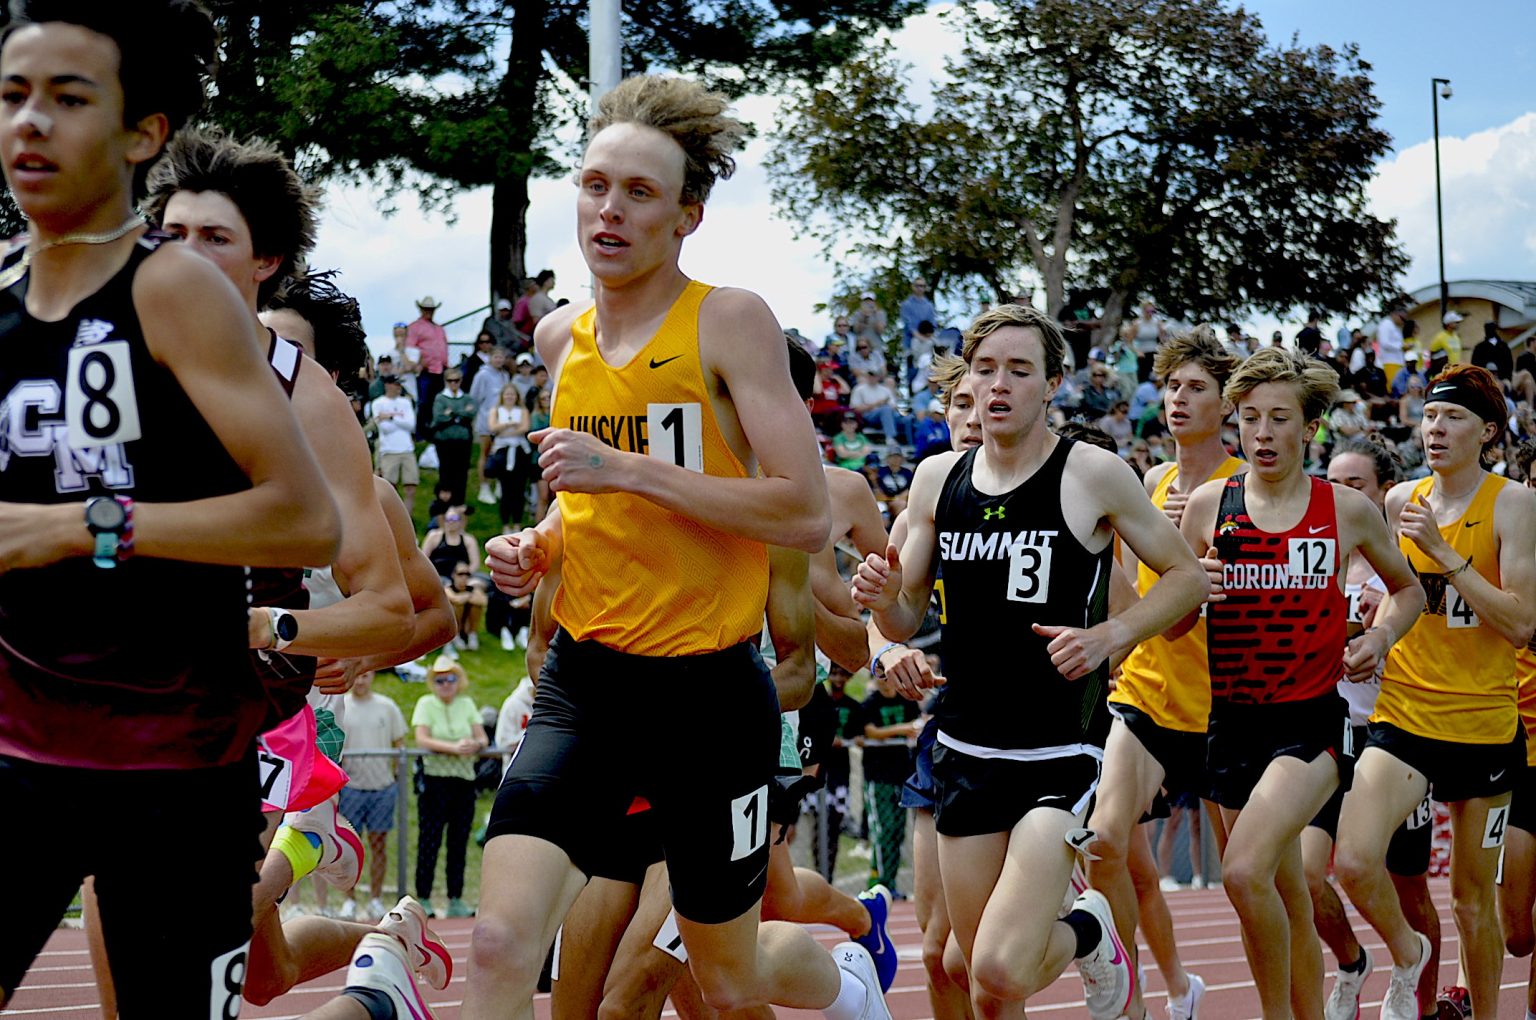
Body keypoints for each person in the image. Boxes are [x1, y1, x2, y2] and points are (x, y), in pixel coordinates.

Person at [463, 74, 893, 1020]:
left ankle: (853, 978)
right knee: (499, 941)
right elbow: (588, 503)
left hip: (711, 701)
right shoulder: (556, 338)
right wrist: (540, 543)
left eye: (640, 193)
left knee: (725, 982)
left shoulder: (730, 321)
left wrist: (624, 471)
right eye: (594, 184)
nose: (609, 210)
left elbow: (804, 513)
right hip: (587, 686)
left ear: (686, 216)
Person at [0, 3, 344, 1014]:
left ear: (140, 134)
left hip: (175, 769)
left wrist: (82, 527)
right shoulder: (2, 302)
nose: (30, 124)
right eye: (13, 95)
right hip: (20, 753)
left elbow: (303, 519)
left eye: (68, 99)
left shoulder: (173, 292)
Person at [853, 303, 1208, 1020]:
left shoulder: (1093, 474)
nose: (999, 385)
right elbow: (902, 615)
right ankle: (1085, 930)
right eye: (985, 370)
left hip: (1060, 750)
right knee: (975, 978)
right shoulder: (936, 481)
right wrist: (885, 612)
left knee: (1000, 965)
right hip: (963, 747)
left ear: (1052, 383)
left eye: (1019, 370)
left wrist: (1112, 636)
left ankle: (1089, 931)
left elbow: (1188, 578)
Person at [1178, 347, 1424, 1020]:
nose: (1260, 433)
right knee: (1285, 897)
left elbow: (1408, 592)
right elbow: (1171, 628)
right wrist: (1193, 589)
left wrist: (1376, 637)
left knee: (1242, 871)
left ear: (1310, 426)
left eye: (1278, 418)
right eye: (1249, 418)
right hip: (1231, 723)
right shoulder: (1207, 507)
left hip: (1310, 724)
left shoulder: (1343, 509)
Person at [1335, 364, 1536, 1020]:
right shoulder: (1400, 503)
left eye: (1451, 418)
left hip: (1484, 730)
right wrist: (1377, 639)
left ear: (1487, 433)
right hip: (1406, 716)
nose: (1435, 428)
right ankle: (1408, 950)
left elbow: (1521, 625)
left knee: (1473, 904)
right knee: (1356, 859)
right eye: (1428, 416)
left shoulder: (1514, 505)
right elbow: (1402, 599)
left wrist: (1448, 557)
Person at [1087, 325, 1244, 1020]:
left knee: (1251, 879)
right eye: (1172, 385)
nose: (1177, 399)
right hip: (1148, 691)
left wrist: (1185, 545)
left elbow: (1233, 605)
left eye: (1195, 388)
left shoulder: (1245, 486)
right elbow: (1130, 590)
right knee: (1103, 843)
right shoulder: (1150, 480)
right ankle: (1137, 1003)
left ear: (1225, 404)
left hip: (1226, 705)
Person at [1301, 439, 1444, 1020]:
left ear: (1383, 490)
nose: (1340, 494)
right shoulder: (1318, 556)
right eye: (1333, 481)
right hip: (1330, 737)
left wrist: (1378, 630)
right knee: (1307, 874)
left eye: (1354, 483)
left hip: (1395, 740)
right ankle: (1353, 961)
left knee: (1408, 888)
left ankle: (1423, 1000)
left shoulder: (1407, 562)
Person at [413, 657, 487, 918]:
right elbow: (422, 739)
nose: (446, 684)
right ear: (433, 683)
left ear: (458, 680)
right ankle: (423, 897)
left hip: (463, 781)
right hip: (435, 781)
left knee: (459, 841)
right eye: (440, 679)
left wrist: (473, 745)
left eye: (450, 678)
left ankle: (455, 897)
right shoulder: (426, 704)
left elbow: (482, 737)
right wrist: (452, 748)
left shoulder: (466, 704)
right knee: (429, 840)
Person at [339, 671, 409, 920]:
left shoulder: (386, 707)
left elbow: (399, 742)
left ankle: (376, 898)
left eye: (365, 675)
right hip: (350, 787)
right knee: (349, 846)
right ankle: (349, 899)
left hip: (381, 787)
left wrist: (394, 777)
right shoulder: (342, 704)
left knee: (378, 844)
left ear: (373, 677)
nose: (360, 681)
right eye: (357, 676)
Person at [430, 367, 475, 505]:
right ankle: (445, 505)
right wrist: (460, 414)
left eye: (456, 380)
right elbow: (439, 417)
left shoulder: (466, 397)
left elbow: (472, 413)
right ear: (445, 381)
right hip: (445, 441)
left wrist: (451, 413)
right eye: (450, 381)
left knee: (461, 473)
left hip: (463, 441)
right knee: (446, 472)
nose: (454, 384)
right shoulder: (440, 397)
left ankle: (459, 503)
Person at [410, 295, 449, 437]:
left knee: (436, 401)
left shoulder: (439, 328)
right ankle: (421, 433)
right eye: (426, 309)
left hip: (440, 370)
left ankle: (434, 431)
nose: (429, 312)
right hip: (425, 370)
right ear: (421, 310)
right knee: (424, 401)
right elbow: (410, 348)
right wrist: (419, 362)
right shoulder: (415, 327)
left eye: (431, 309)